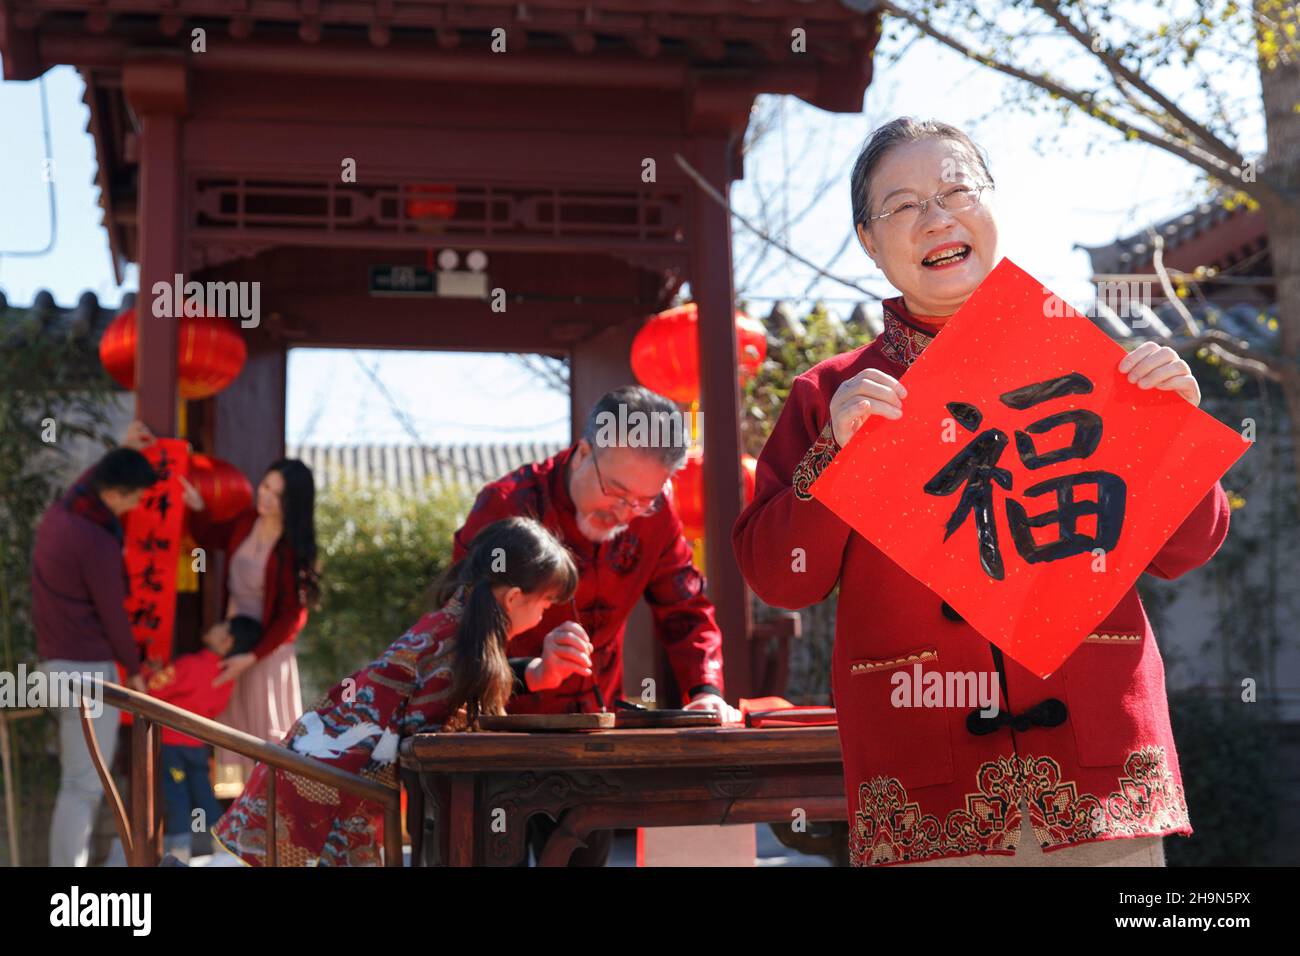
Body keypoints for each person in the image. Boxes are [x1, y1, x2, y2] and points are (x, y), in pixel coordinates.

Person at [733, 117, 1231, 868]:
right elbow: (782, 578)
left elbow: (1188, 548)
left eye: (957, 189)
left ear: (993, 204)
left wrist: (1175, 431)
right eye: (902, 205)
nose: (936, 217)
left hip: (1100, 768)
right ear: (868, 241)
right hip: (926, 778)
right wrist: (837, 453)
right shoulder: (829, 395)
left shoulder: (1089, 362)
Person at [452, 384, 736, 865]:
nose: (624, 513)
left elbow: (685, 609)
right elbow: (458, 628)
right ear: (583, 452)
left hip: (592, 730)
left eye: (642, 501)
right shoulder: (508, 506)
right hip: (497, 727)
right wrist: (531, 665)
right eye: (615, 492)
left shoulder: (656, 515)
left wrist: (705, 689)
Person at [212, 517, 580, 866]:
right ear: (515, 598)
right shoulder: (458, 643)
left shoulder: (451, 624)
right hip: (333, 779)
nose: (544, 615)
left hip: (324, 765)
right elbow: (431, 737)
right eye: (546, 604)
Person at [32, 447, 155, 866]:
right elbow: (114, 616)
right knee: (83, 786)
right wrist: (135, 672)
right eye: (136, 497)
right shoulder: (96, 538)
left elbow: (91, 480)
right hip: (90, 675)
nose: (137, 506)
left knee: (76, 782)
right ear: (118, 493)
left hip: (53, 668)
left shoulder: (59, 517)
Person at [183, 449, 321, 792]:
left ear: (293, 503)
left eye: (277, 495)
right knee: (233, 738)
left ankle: (271, 825)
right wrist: (196, 505)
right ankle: (241, 824)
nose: (267, 498)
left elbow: (293, 615)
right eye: (265, 488)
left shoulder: (293, 548)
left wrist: (253, 656)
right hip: (234, 641)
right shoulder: (246, 521)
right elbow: (210, 536)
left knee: (266, 742)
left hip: (266, 653)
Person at [144, 615, 263, 862]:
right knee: (203, 794)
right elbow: (215, 708)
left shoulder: (189, 664)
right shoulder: (226, 677)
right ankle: (224, 849)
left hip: (171, 745)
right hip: (196, 746)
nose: (214, 625)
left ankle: (179, 854)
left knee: (176, 795)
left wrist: (148, 671)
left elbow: (153, 689)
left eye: (222, 624)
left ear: (226, 640)